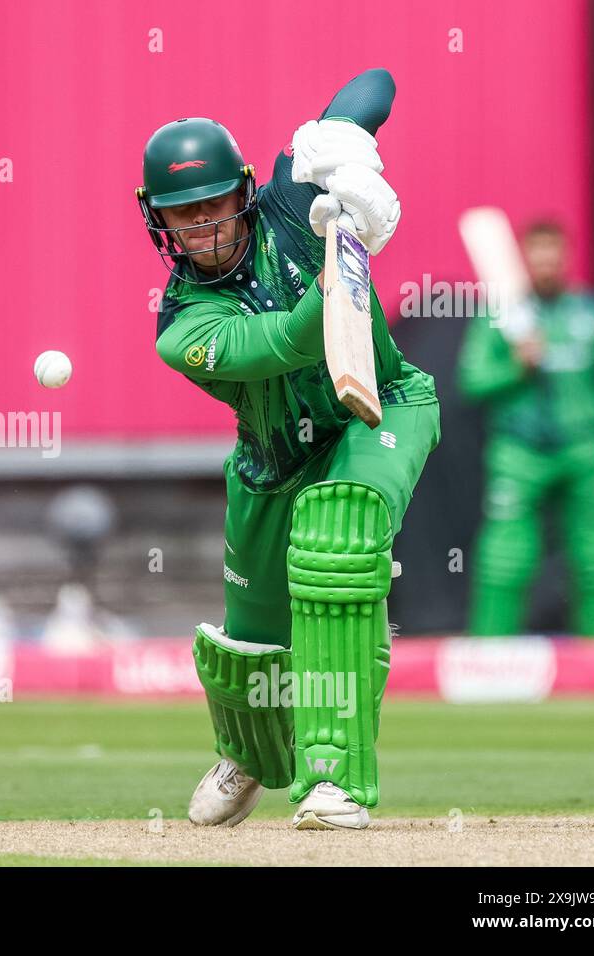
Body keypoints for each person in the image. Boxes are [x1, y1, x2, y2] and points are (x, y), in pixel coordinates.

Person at [138, 68, 440, 829]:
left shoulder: (291, 201)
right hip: (270, 463)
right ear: (160, 225)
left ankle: (332, 778)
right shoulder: (184, 327)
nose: (204, 228)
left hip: (378, 413)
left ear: (242, 194)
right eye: (184, 216)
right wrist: (347, 247)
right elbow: (286, 339)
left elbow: (376, 84)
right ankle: (251, 753)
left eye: (214, 206)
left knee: (338, 532)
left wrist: (342, 153)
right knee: (250, 652)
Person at [459, 219, 594, 636]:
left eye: (553, 254)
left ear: (565, 257)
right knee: (505, 558)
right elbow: (472, 381)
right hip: (519, 450)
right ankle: (490, 658)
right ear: (525, 259)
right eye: (537, 254)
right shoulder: (501, 314)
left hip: (584, 447)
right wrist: (516, 366)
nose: (545, 263)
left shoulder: (592, 310)